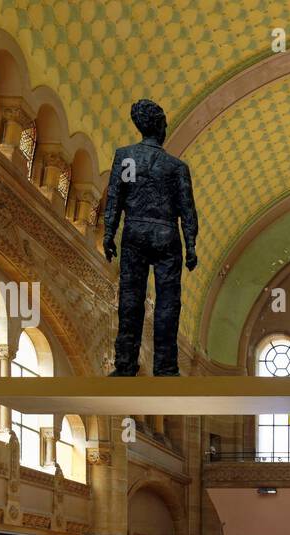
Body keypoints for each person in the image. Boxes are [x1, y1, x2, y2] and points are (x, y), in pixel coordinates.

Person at [103, 99, 199, 377]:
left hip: (134, 231)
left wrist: (110, 233)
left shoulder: (126, 156)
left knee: (131, 298)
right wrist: (190, 245)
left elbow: (114, 199)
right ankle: (166, 366)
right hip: (166, 234)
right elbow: (187, 210)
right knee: (168, 302)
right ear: (159, 126)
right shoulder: (175, 166)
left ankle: (125, 364)